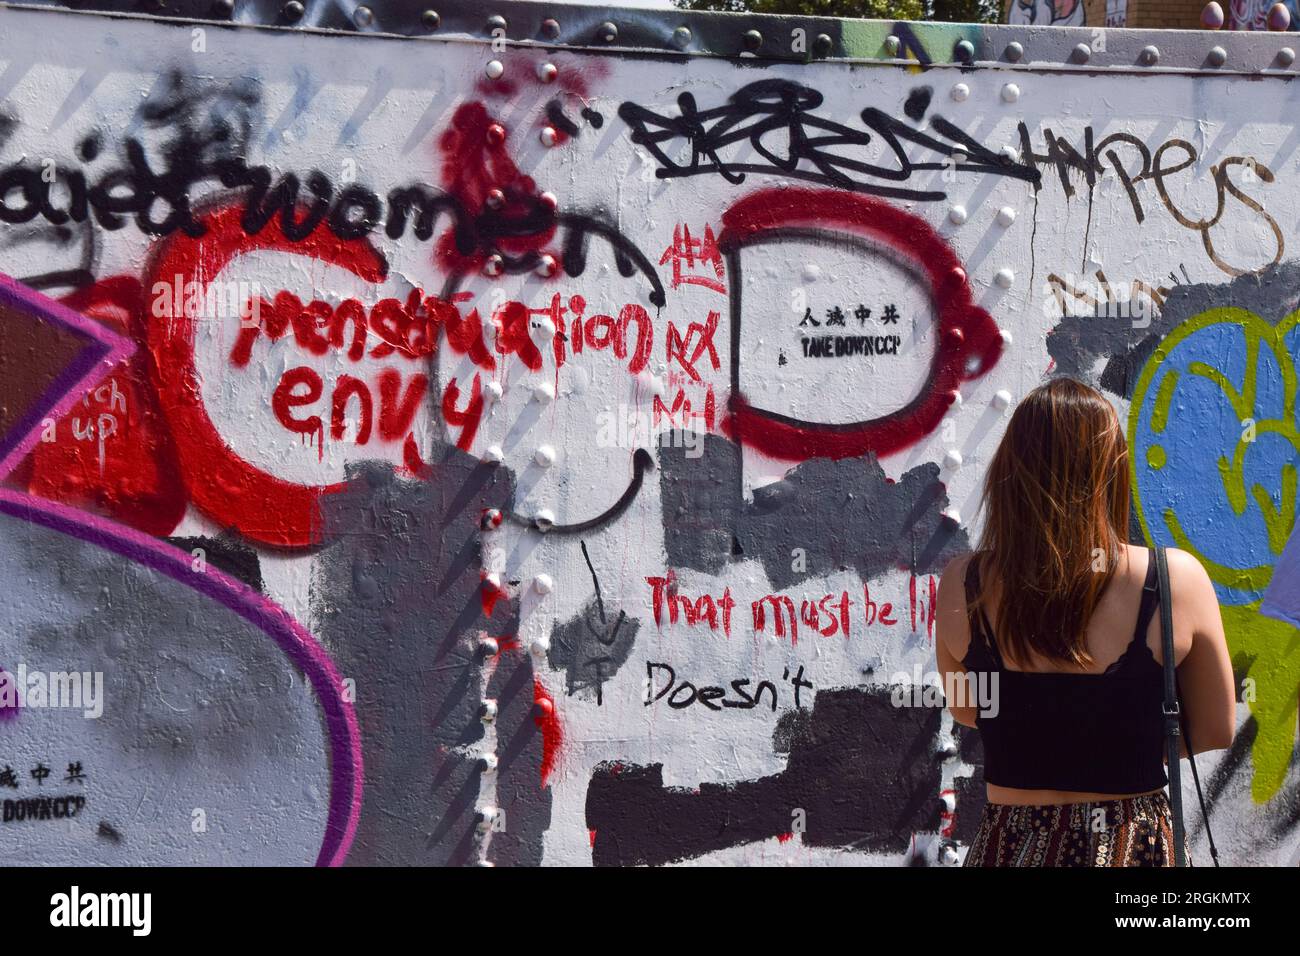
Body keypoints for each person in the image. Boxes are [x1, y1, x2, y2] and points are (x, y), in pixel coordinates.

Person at [936, 377, 1235, 867]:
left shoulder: (962, 582)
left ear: (1011, 470)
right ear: (1110, 470)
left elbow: (970, 712)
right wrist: (1116, 740)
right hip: (1128, 844)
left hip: (1010, 845)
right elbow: (1216, 728)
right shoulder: (1173, 578)